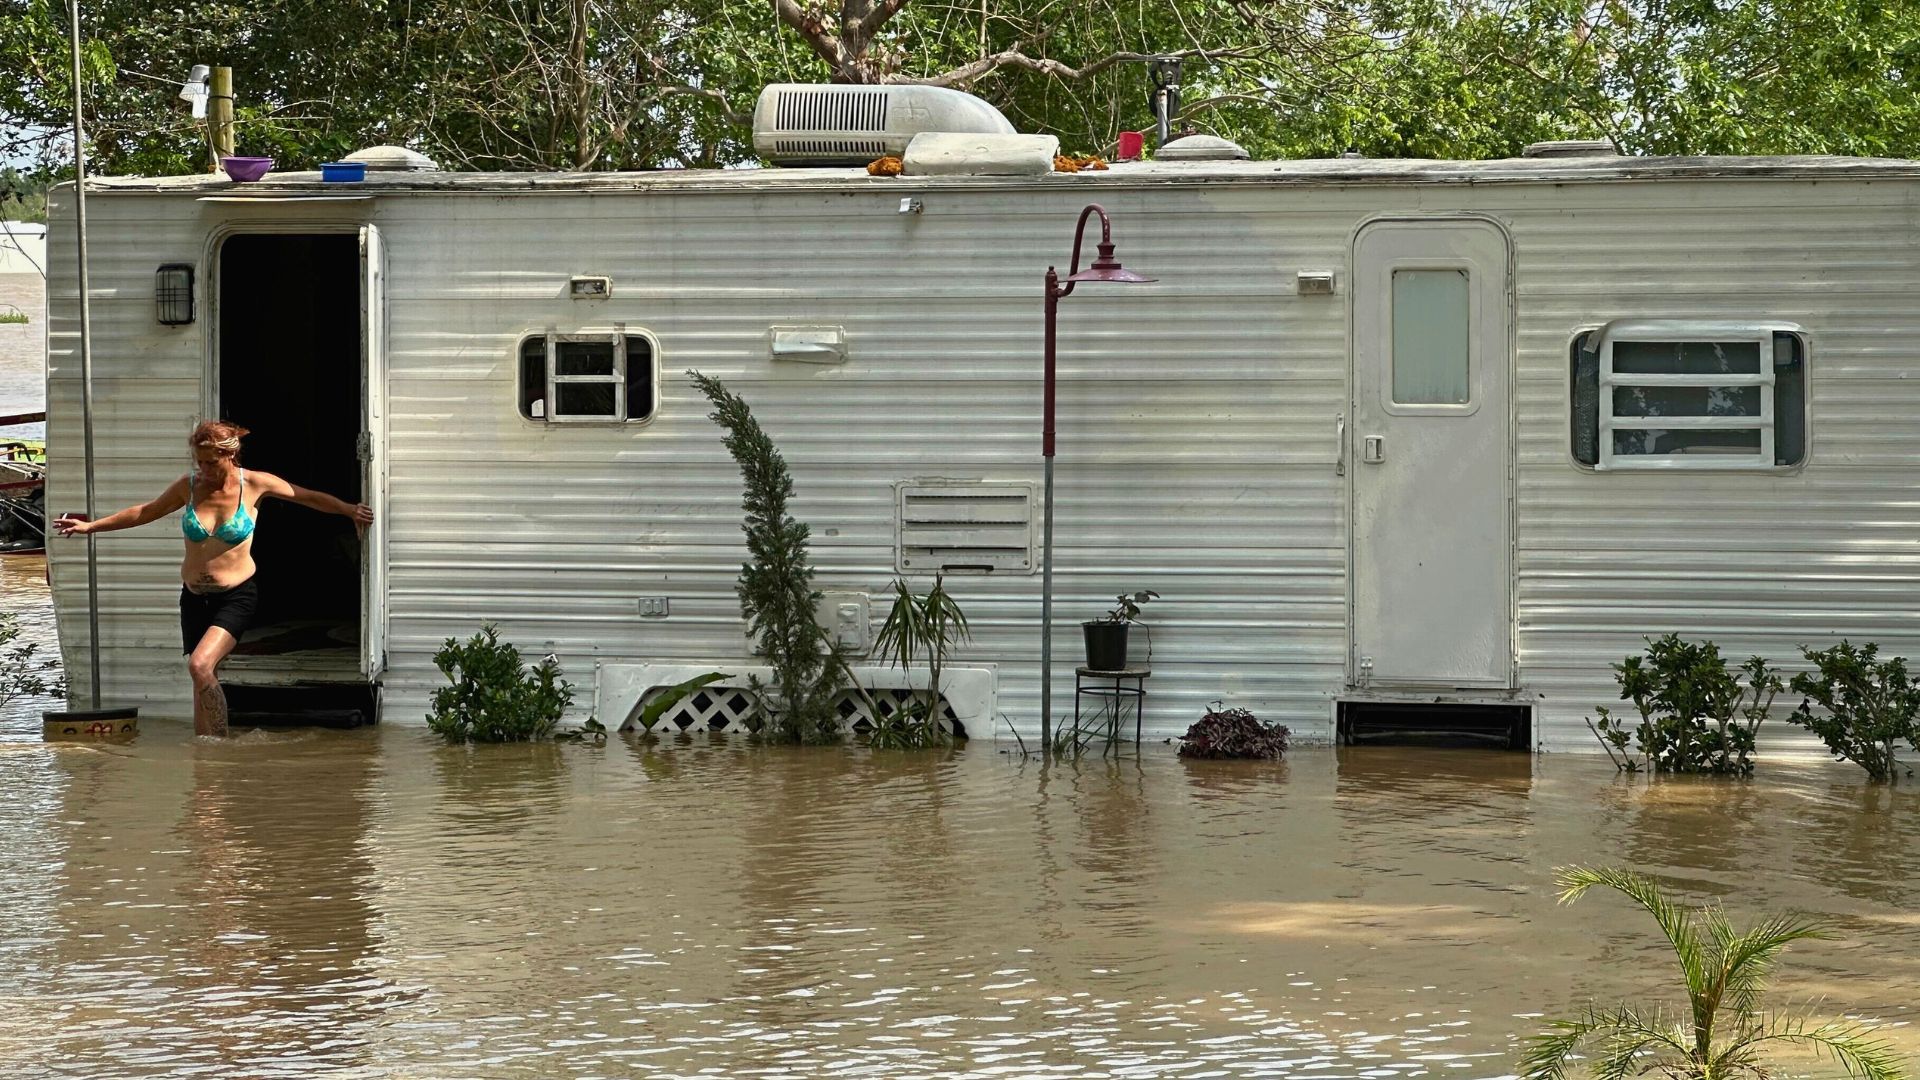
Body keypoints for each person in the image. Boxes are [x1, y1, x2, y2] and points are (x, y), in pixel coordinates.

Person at [52, 421, 374, 736]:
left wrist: (349, 510)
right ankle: (204, 762)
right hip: (193, 597)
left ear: (229, 456)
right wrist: (91, 527)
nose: (204, 470)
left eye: (211, 462)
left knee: (200, 666)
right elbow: (146, 511)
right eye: (199, 462)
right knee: (203, 678)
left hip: (236, 596)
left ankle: (219, 743)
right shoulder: (188, 486)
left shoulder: (255, 484)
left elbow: (307, 497)